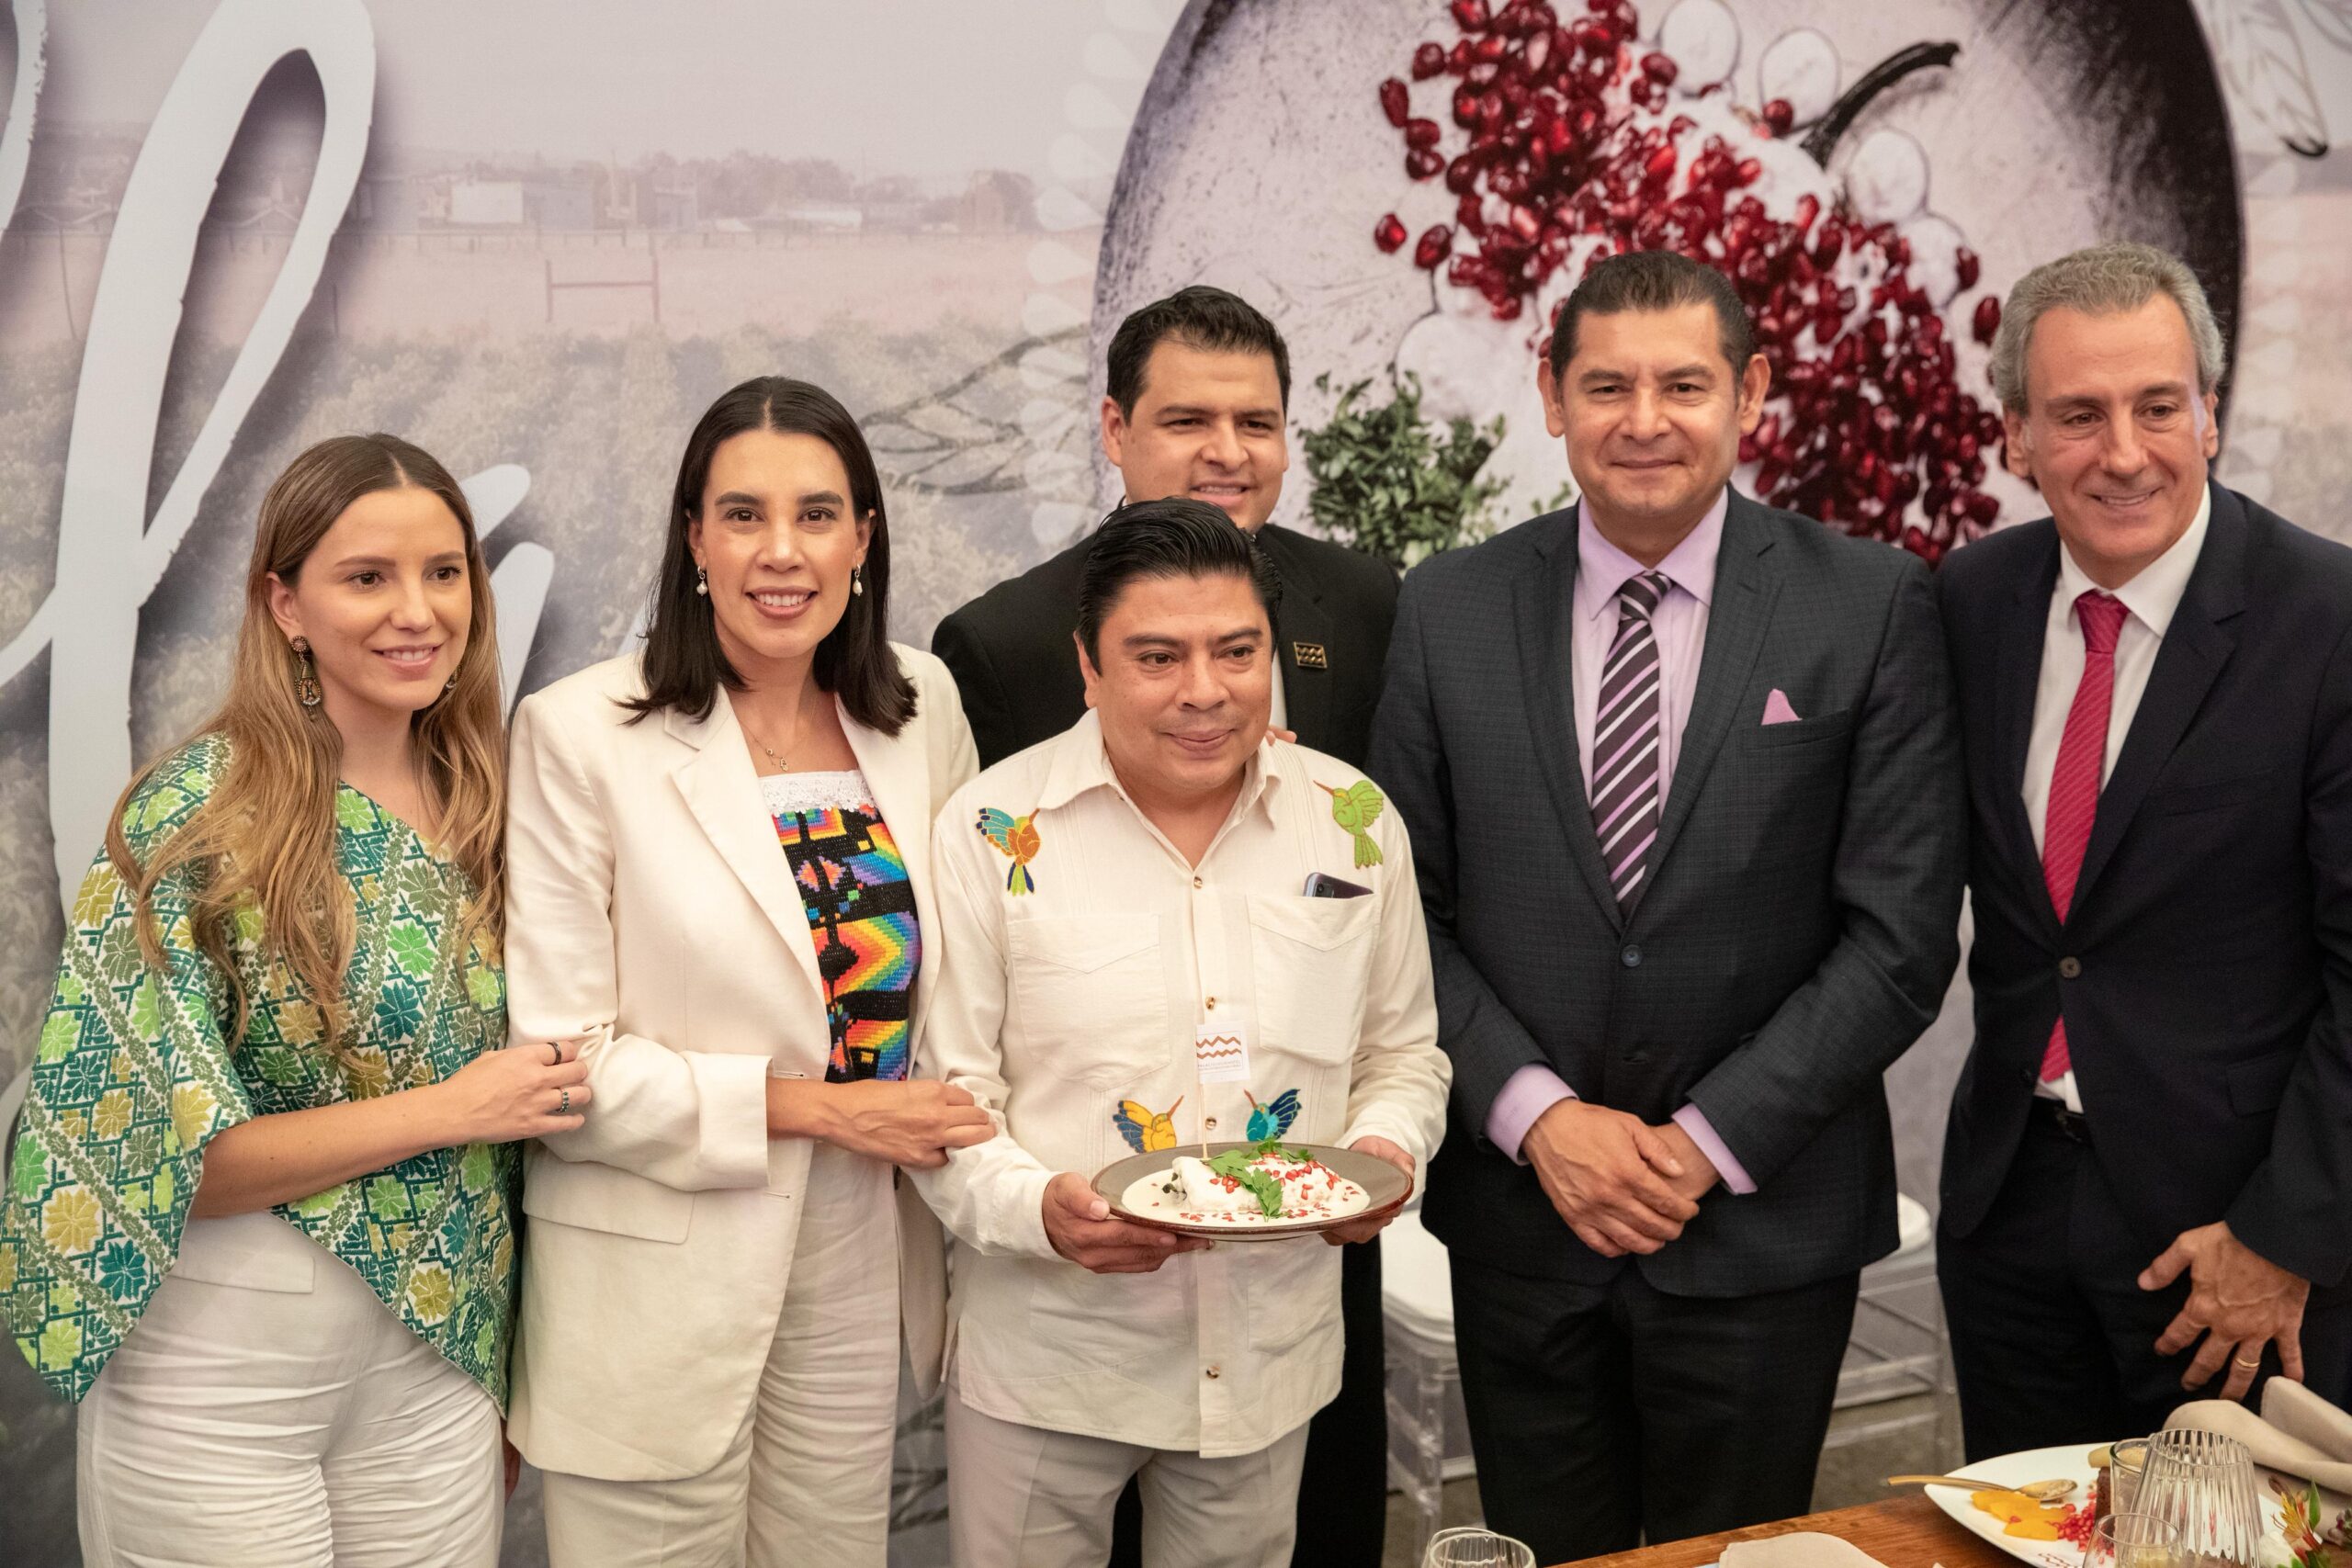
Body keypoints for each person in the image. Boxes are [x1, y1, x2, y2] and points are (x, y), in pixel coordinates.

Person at [1369, 249, 1965, 1562]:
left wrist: (1701, 1143)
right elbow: (1399, 917)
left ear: (1750, 393)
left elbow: (1902, 935)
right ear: (1552, 396)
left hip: (1760, 1226)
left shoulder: (1870, 603)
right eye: (1607, 386)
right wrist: (1539, 1119)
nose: (1645, 420)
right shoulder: (1447, 608)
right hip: (1524, 1226)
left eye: (1684, 385)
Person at [0, 434, 560, 1564]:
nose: (417, 611)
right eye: (368, 577)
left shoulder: (501, 803)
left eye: (444, 573)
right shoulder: (195, 818)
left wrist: (508, 1372)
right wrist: (457, 1108)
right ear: (285, 604)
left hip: (439, 1367)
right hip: (224, 1375)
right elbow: (176, 1161)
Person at [932, 284, 1402, 1565]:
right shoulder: (994, 768)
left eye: (1236, 654)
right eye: (1188, 418)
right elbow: (952, 1083)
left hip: (1277, 1317)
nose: (1203, 692)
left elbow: (1398, 1039)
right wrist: (1036, 1209)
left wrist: (1386, 1145)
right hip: (1057, 1341)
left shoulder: (1353, 780)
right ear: (1088, 666)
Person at [502, 376, 987, 1567]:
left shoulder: (922, 705)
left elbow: (986, 957)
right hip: (651, 1281)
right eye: (743, 515)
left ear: (864, 537)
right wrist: (827, 1109)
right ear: (693, 538)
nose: (782, 550)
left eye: (817, 514)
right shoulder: (578, 732)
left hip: (859, 1251)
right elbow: (563, 1066)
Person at [1935, 241, 2352, 1454]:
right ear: (2016, 436)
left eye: (2157, 407)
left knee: (2226, 1539)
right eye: (2078, 415)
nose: (2123, 452)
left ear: (2209, 414)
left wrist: (2282, 1235)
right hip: (2010, 1215)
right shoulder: (1971, 600)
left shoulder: (2328, 622)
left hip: (2233, 1242)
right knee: (2015, 1528)